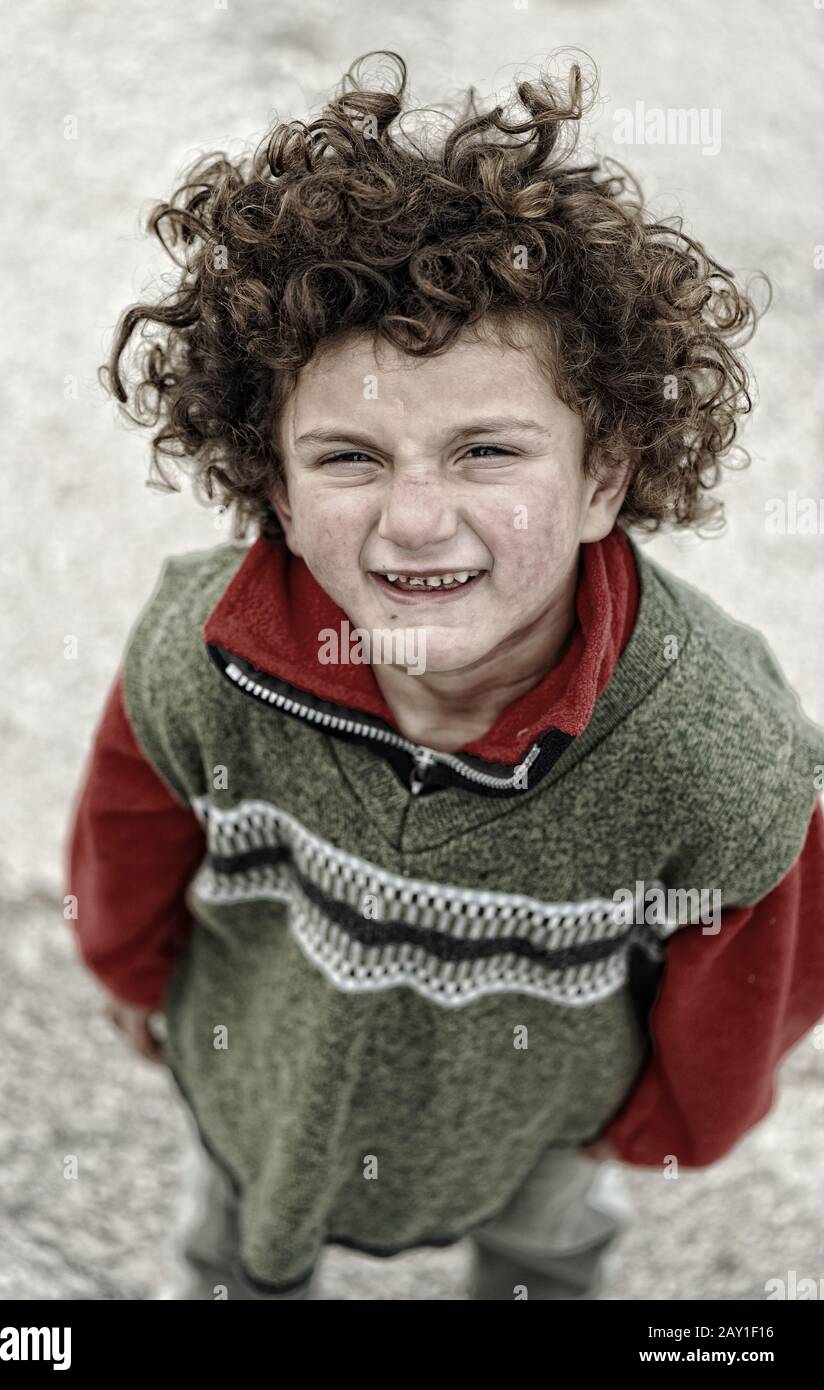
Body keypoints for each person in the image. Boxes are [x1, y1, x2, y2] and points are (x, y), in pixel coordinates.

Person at [64, 50, 824, 1299]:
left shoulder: (715, 750)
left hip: (539, 1105)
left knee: (546, 1254)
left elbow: (752, 982)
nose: (416, 522)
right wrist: (133, 978)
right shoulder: (196, 653)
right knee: (236, 1240)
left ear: (601, 477)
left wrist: (662, 1130)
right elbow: (126, 830)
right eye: (350, 458)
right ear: (275, 490)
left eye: (484, 449)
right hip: (269, 1065)